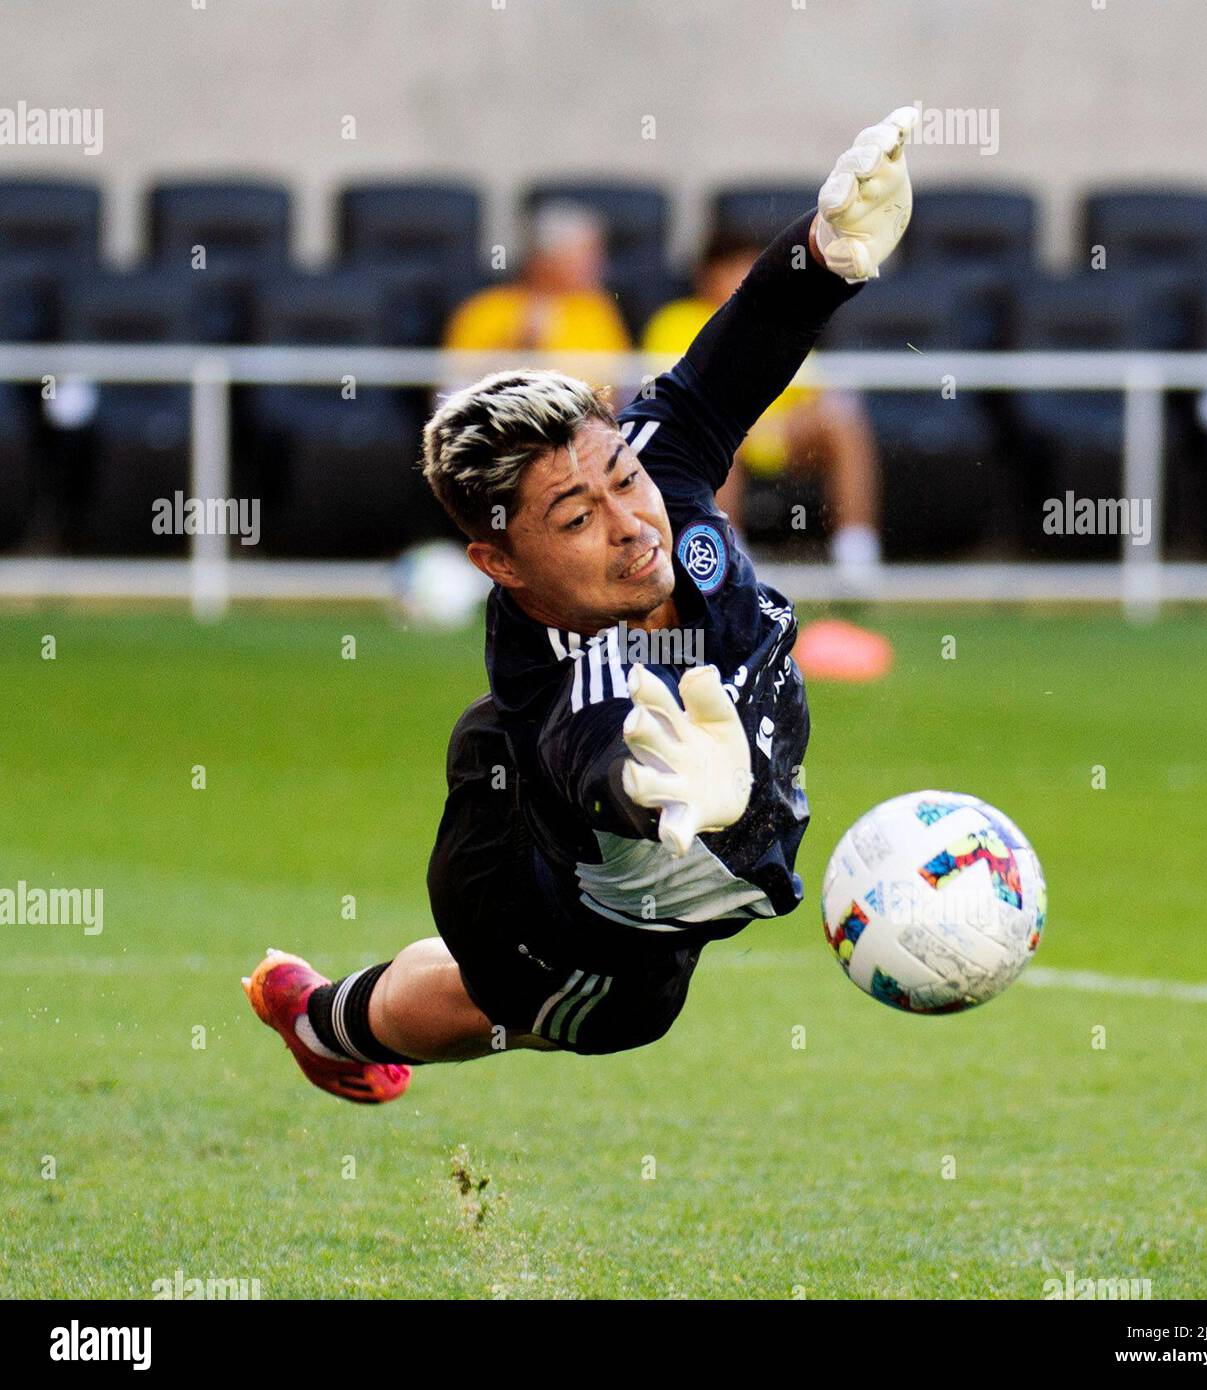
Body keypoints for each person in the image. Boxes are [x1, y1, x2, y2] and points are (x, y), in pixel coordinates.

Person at [243, 108, 919, 1101]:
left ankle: (325, 1011)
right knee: (554, 1008)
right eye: (573, 515)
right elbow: (594, 750)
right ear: (500, 561)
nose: (630, 521)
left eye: (619, 478)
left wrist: (818, 257)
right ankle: (325, 1023)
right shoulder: (568, 675)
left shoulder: (650, 463)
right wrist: (670, 786)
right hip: (554, 906)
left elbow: (723, 369)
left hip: (583, 800)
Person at [642, 231, 884, 578]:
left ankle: (856, 554)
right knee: (719, 432)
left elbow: (813, 390)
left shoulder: (775, 318)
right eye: (733, 266)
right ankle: (730, 556)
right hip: (713, 435)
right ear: (707, 275)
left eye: (750, 264)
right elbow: (672, 397)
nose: (744, 273)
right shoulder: (675, 321)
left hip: (779, 432)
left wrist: (776, 426)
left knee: (843, 421)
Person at [442, 200, 630, 360]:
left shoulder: (597, 309)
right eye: (585, 253)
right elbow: (451, 393)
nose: (598, 263)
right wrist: (516, 351)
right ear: (544, 260)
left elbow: (625, 387)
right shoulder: (484, 311)